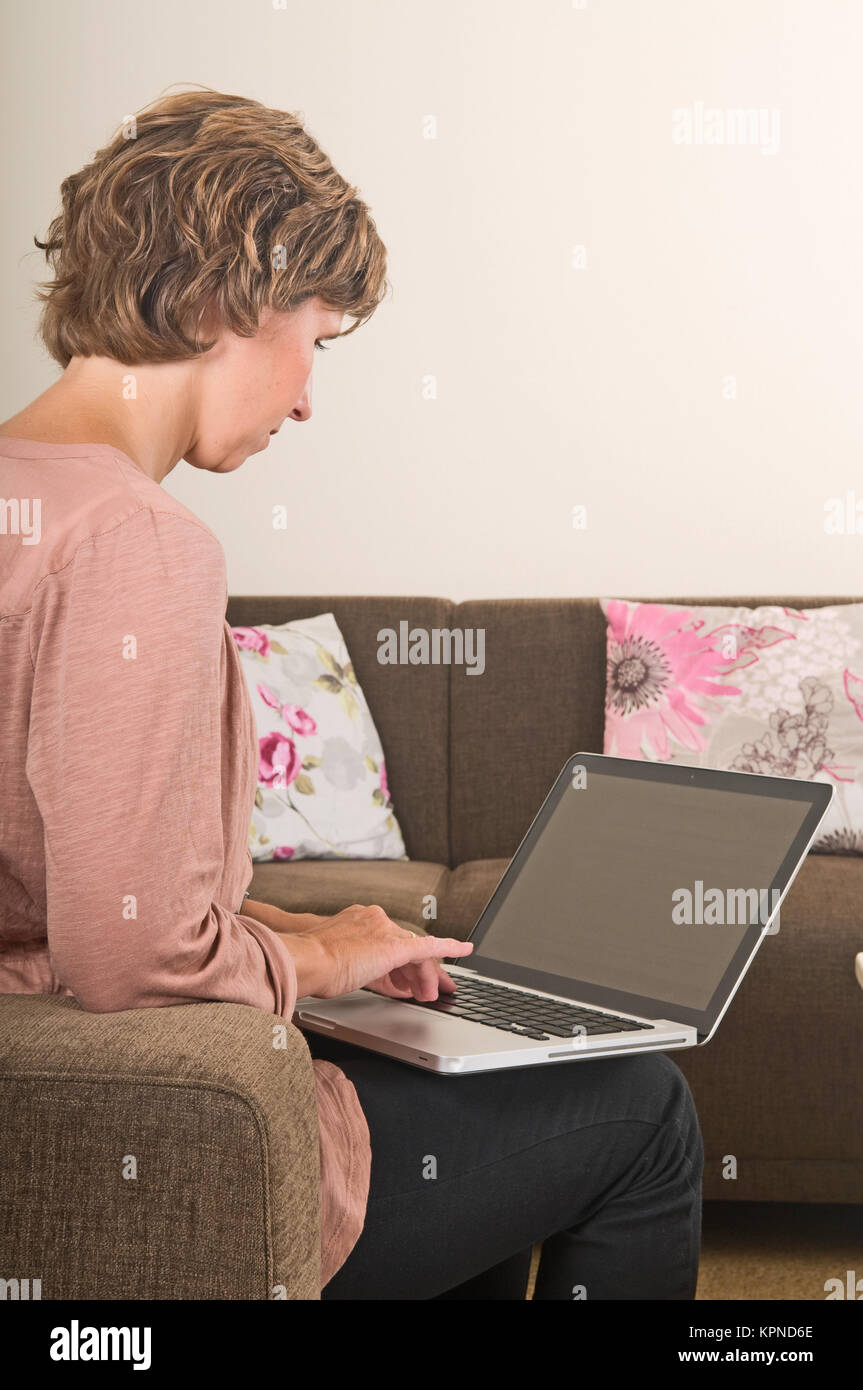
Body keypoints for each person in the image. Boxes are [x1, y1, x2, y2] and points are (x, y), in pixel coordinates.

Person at [0, 86, 703, 1300]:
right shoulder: (138, 541)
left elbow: (60, 893)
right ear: (229, 294)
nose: (310, 399)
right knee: (641, 1110)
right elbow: (130, 956)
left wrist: (315, 933)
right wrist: (319, 973)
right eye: (314, 343)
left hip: (56, 1077)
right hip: (164, 1129)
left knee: (472, 1109)